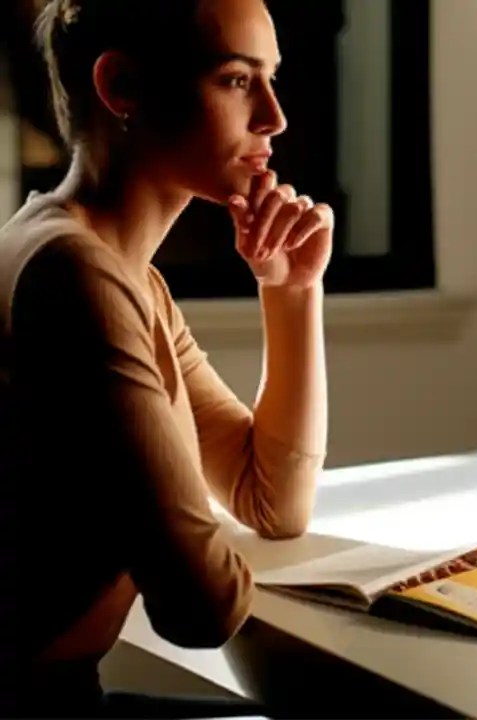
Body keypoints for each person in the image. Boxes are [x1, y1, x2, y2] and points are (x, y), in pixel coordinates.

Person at [0, 0, 329, 715]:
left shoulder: (118, 270)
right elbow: (199, 610)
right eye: (237, 80)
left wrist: (294, 292)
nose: (274, 116)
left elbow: (270, 502)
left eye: (271, 78)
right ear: (120, 88)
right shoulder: (75, 276)